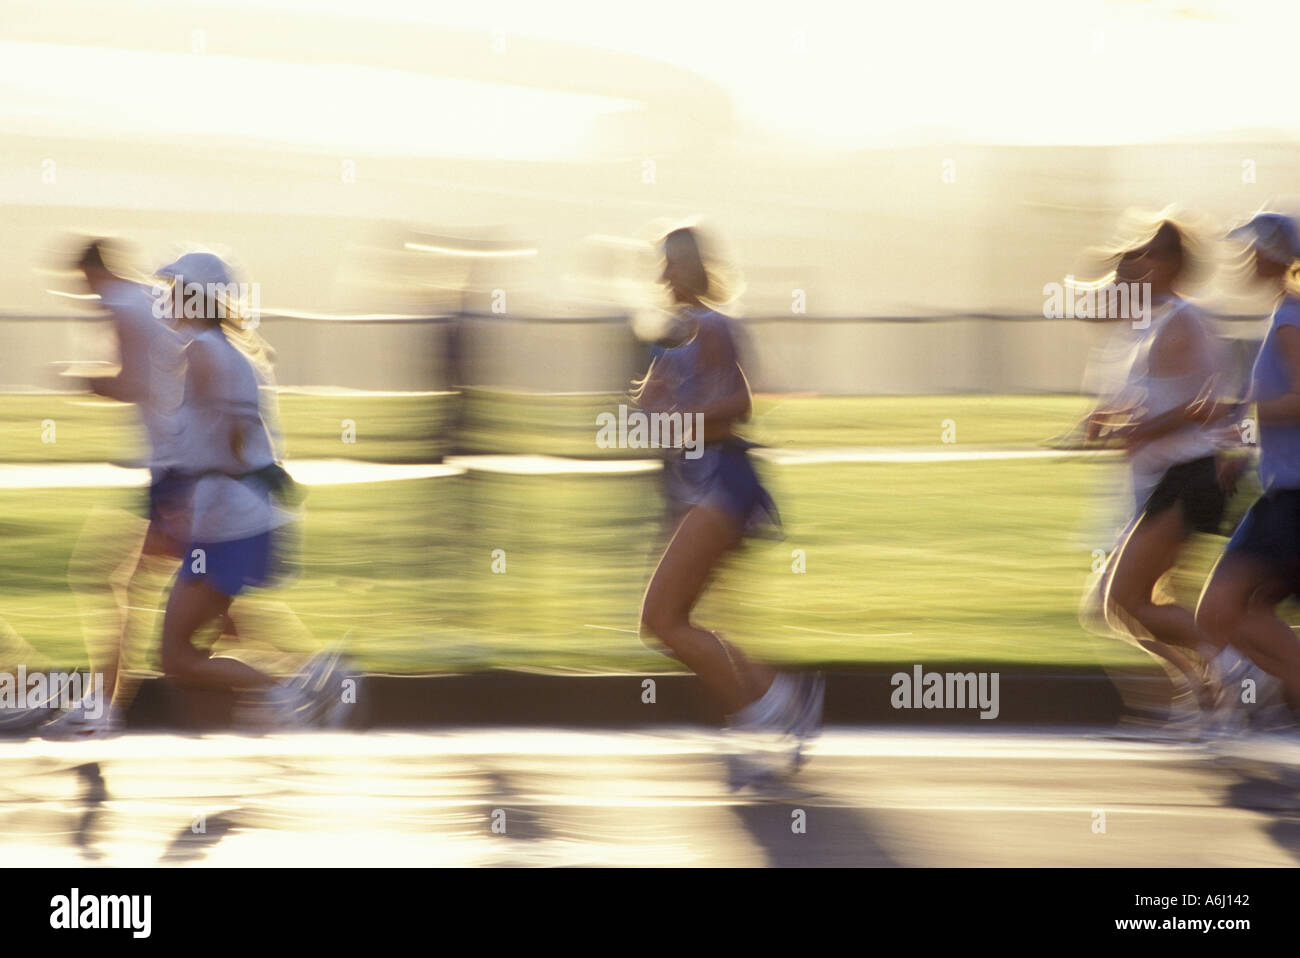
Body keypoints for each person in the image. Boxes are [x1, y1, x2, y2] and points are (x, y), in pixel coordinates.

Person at [636, 227, 822, 782]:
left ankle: (764, 716)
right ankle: (781, 703)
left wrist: (676, 415)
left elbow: (738, 401)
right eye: (661, 265)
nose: (662, 276)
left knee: (662, 620)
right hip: (696, 487)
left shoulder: (714, 325)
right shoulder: (676, 334)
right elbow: (648, 412)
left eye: (670, 265)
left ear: (691, 269)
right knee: (683, 621)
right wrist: (654, 409)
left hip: (722, 484)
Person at [153, 252, 341, 729]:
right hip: (241, 515)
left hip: (227, 521)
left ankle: (292, 691)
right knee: (223, 627)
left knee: (176, 656)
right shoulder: (228, 350)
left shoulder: (201, 352)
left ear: (195, 297)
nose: (166, 297)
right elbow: (235, 433)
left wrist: (183, 491)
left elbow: (226, 438)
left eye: (174, 288)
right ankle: (308, 678)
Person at [1081, 220, 1238, 722]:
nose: (1139, 265)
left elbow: (1211, 406)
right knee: (1116, 608)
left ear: (1170, 264)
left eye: (1148, 255)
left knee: (1124, 599)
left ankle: (1234, 665)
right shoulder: (1155, 321)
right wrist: (1108, 417)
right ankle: (1205, 688)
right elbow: (1157, 398)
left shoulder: (1186, 320)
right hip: (1158, 479)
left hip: (1187, 475)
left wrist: (1144, 429)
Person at [1196, 212, 1300, 728]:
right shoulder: (1285, 313)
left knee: (1220, 610)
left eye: (1252, 248)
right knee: (1234, 613)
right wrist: (1244, 445)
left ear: (1277, 256)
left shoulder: (1291, 318)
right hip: (1282, 493)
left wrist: (1243, 421)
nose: (1244, 258)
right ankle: (1271, 696)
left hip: (1293, 502)